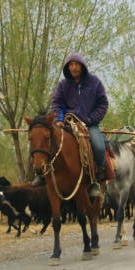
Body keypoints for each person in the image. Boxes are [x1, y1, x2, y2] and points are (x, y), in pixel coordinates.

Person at [33, 53, 109, 198]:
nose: (73, 68)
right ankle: (41, 175)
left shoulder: (95, 83)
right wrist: (60, 118)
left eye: (76, 64)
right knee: (44, 141)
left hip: (89, 123)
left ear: (82, 66)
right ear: (68, 68)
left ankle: (96, 179)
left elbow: (103, 104)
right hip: (66, 122)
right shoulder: (63, 85)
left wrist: (90, 119)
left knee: (99, 146)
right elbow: (57, 103)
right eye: (71, 65)